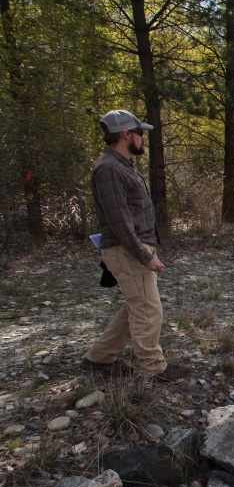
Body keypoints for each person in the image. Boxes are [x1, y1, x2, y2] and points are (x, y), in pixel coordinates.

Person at [81, 109, 190, 382]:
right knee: (147, 310)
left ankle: (99, 357)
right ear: (125, 134)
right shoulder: (109, 169)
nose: (143, 138)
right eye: (140, 132)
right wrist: (144, 256)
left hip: (130, 249)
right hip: (127, 250)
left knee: (135, 305)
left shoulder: (120, 166)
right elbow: (119, 221)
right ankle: (152, 370)